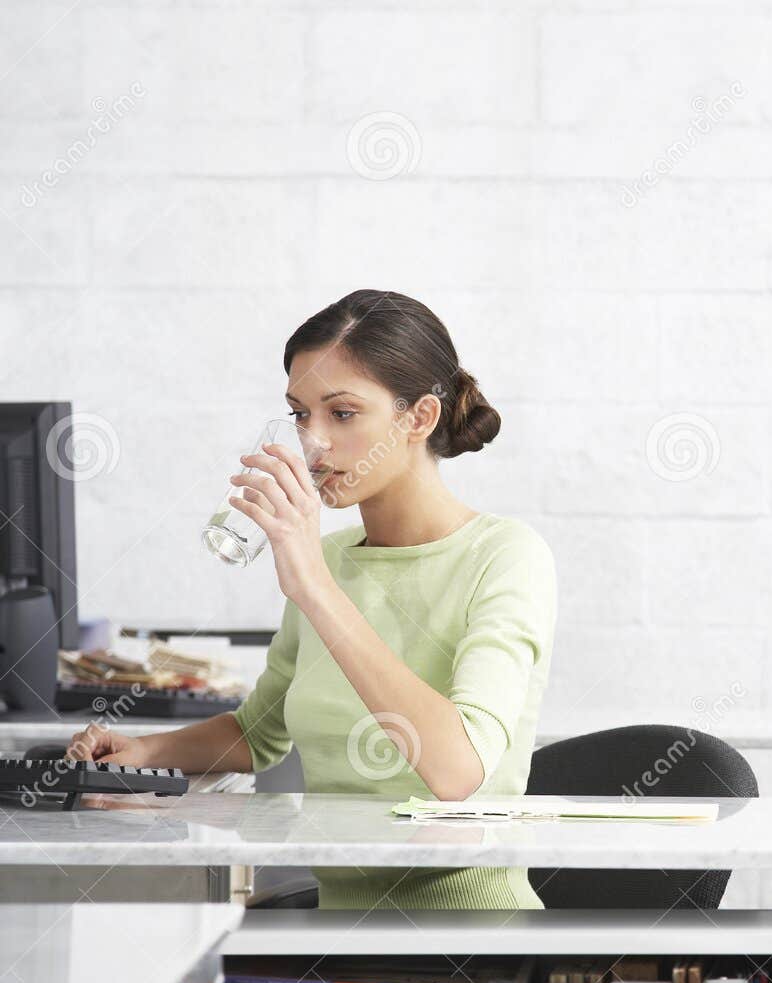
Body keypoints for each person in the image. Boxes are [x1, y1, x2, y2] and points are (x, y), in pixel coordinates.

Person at [68, 288, 558, 909]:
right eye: (300, 414)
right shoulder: (327, 559)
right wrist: (146, 753)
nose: (313, 443)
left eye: (343, 414)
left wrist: (313, 585)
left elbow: (457, 773)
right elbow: (258, 733)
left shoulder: (505, 556)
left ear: (419, 418)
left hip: (466, 935)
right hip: (337, 929)